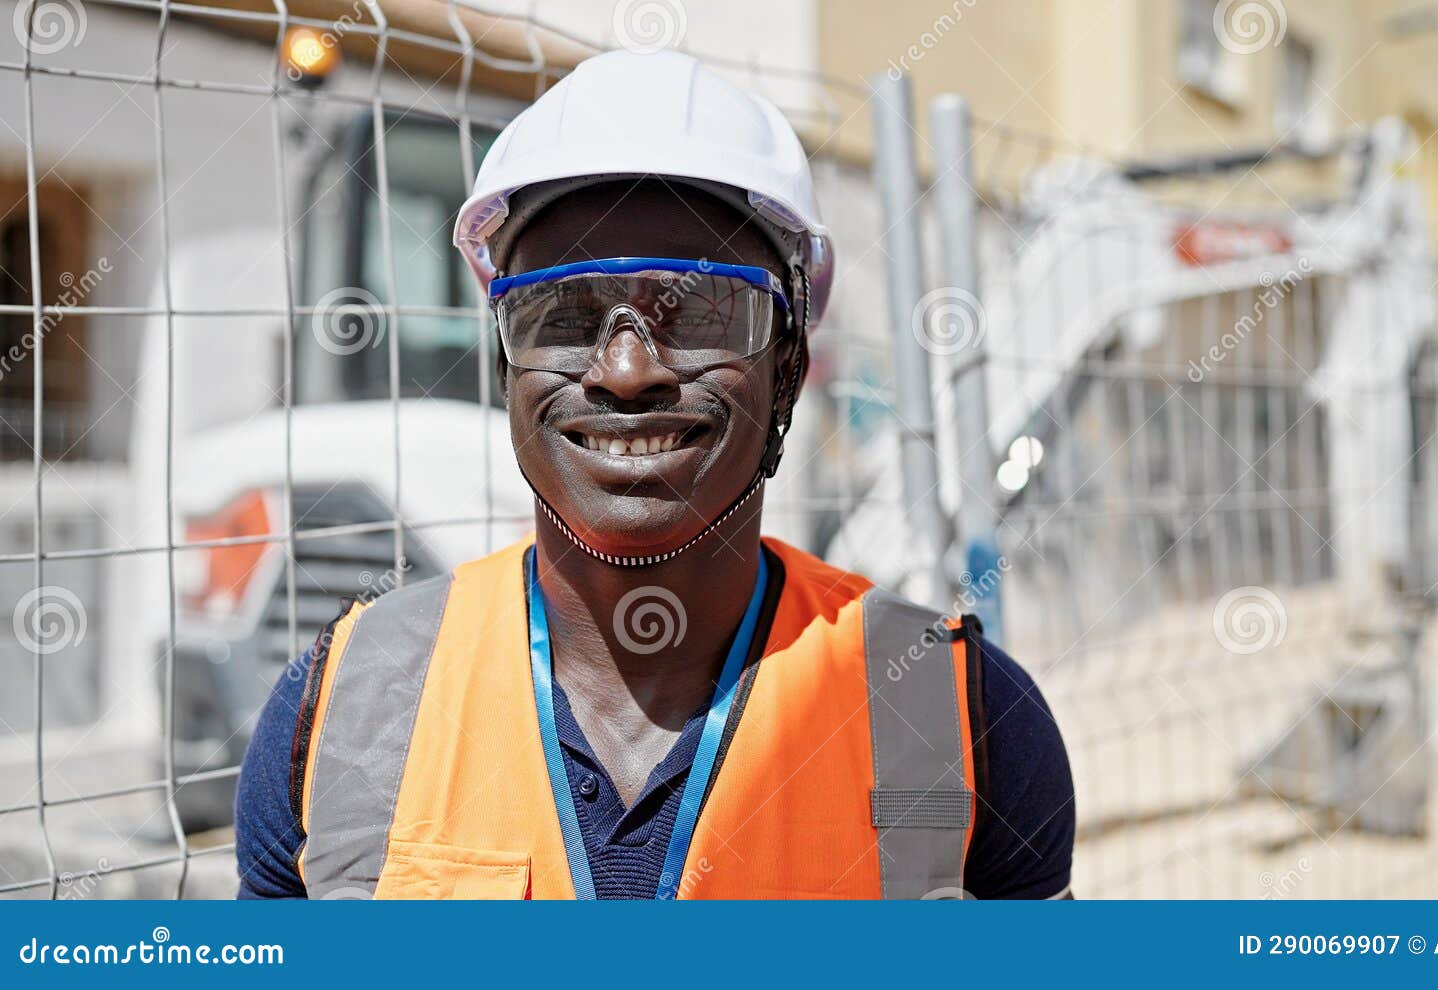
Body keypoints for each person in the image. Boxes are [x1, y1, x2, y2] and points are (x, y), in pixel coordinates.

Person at [235, 48, 1073, 900]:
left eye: (702, 306)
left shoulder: (960, 714)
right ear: (505, 364)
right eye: (562, 309)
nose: (627, 370)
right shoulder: (341, 709)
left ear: (789, 362)